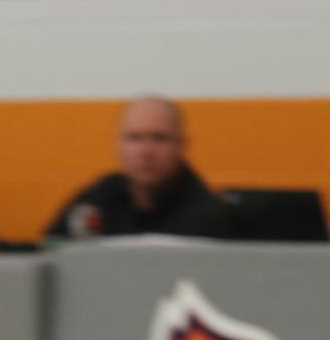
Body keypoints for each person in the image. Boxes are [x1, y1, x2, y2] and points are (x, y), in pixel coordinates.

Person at [43, 96, 232, 241]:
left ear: (182, 145)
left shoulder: (207, 215)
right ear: (118, 145)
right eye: (134, 138)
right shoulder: (100, 198)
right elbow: (50, 250)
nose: (145, 151)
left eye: (159, 138)